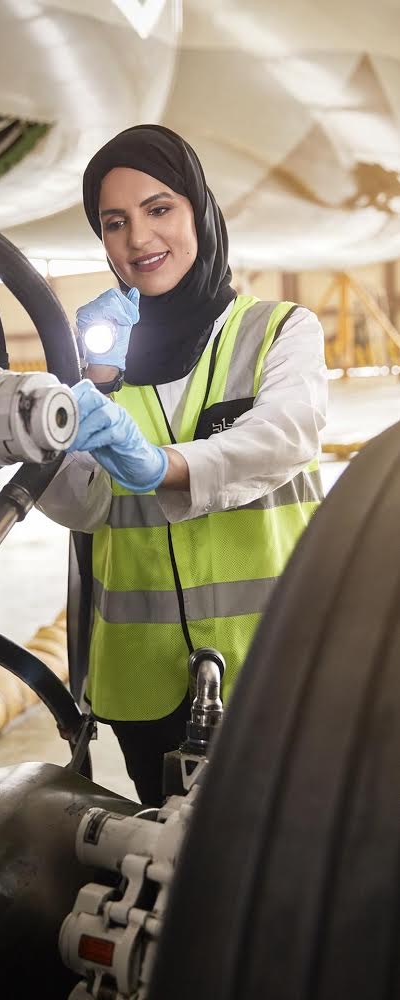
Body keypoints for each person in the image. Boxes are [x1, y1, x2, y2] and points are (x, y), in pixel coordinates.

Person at [37, 124, 327, 805]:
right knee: (166, 852)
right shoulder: (101, 361)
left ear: (200, 211)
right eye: (114, 222)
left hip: (275, 667)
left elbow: (285, 435)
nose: (138, 238)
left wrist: (161, 466)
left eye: (159, 208)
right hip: (143, 683)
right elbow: (80, 505)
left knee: (285, 845)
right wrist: (91, 385)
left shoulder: (279, 330)